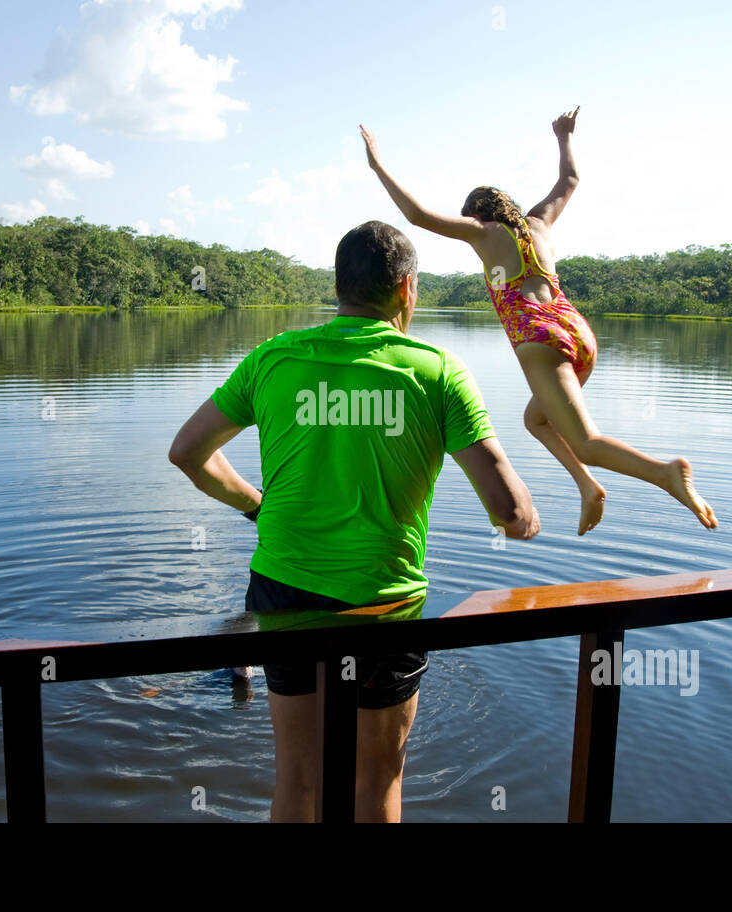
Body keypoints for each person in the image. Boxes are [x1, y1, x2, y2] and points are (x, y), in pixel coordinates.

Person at [168, 221, 540, 822]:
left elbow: (187, 452)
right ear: (407, 289)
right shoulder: (437, 370)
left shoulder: (273, 358)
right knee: (377, 781)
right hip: (381, 604)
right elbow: (509, 511)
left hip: (285, 595)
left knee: (298, 780)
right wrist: (525, 518)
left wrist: (253, 503)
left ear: (338, 287)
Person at [359, 108, 718, 536]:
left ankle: (666, 473)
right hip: (577, 331)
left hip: (539, 337)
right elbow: (569, 181)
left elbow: (417, 216)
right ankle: (588, 488)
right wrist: (564, 136)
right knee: (537, 419)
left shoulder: (483, 231)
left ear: (477, 213)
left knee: (586, 442)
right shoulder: (538, 223)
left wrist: (378, 165)